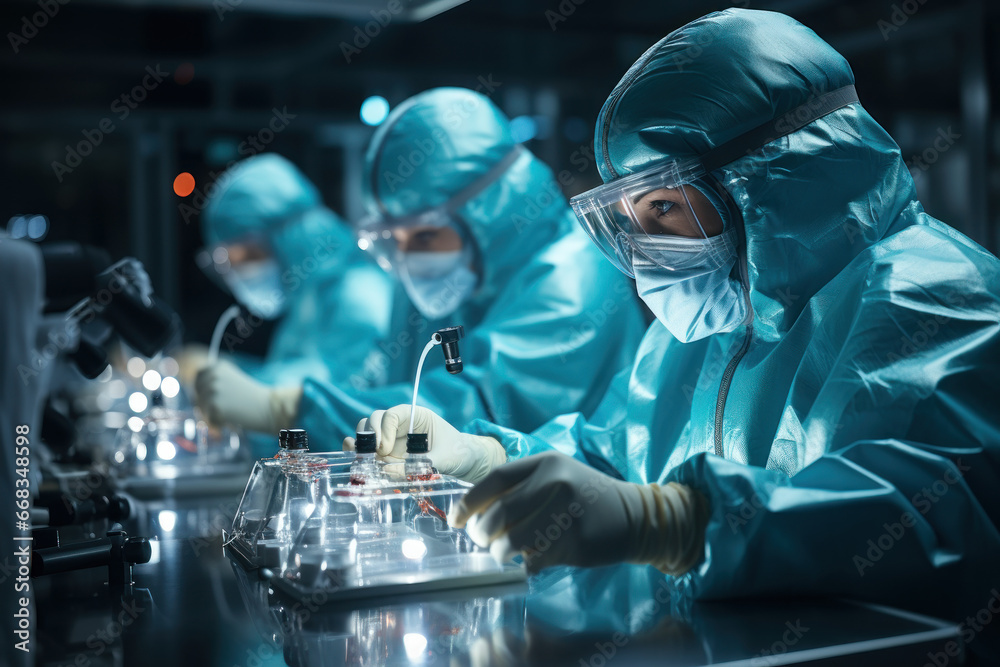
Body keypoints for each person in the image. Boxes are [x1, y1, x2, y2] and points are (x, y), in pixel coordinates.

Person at [364, 8, 1000, 641]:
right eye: (628, 220)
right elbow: (615, 459)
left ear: (763, 179)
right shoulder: (704, 327)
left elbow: (928, 522)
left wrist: (674, 522)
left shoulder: (932, 294)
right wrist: (490, 459)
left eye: (662, 207)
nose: (643, 251)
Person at [206, 88, 648, 479]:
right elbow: (383, 383)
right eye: (392, 240)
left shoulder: (572, 278)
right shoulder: (449, 270)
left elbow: (472, 407)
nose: (407, 258)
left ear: (489, 208)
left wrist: (287, 408)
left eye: (423, 234)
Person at [192, 154, 394, 433]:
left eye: (248, 254)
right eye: (227, 262)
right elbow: (294, 373)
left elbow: (346, 398)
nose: (239, 273)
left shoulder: (359, 294)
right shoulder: (307, 301)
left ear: (292, 237)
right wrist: (226, 375)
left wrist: (263, 402)